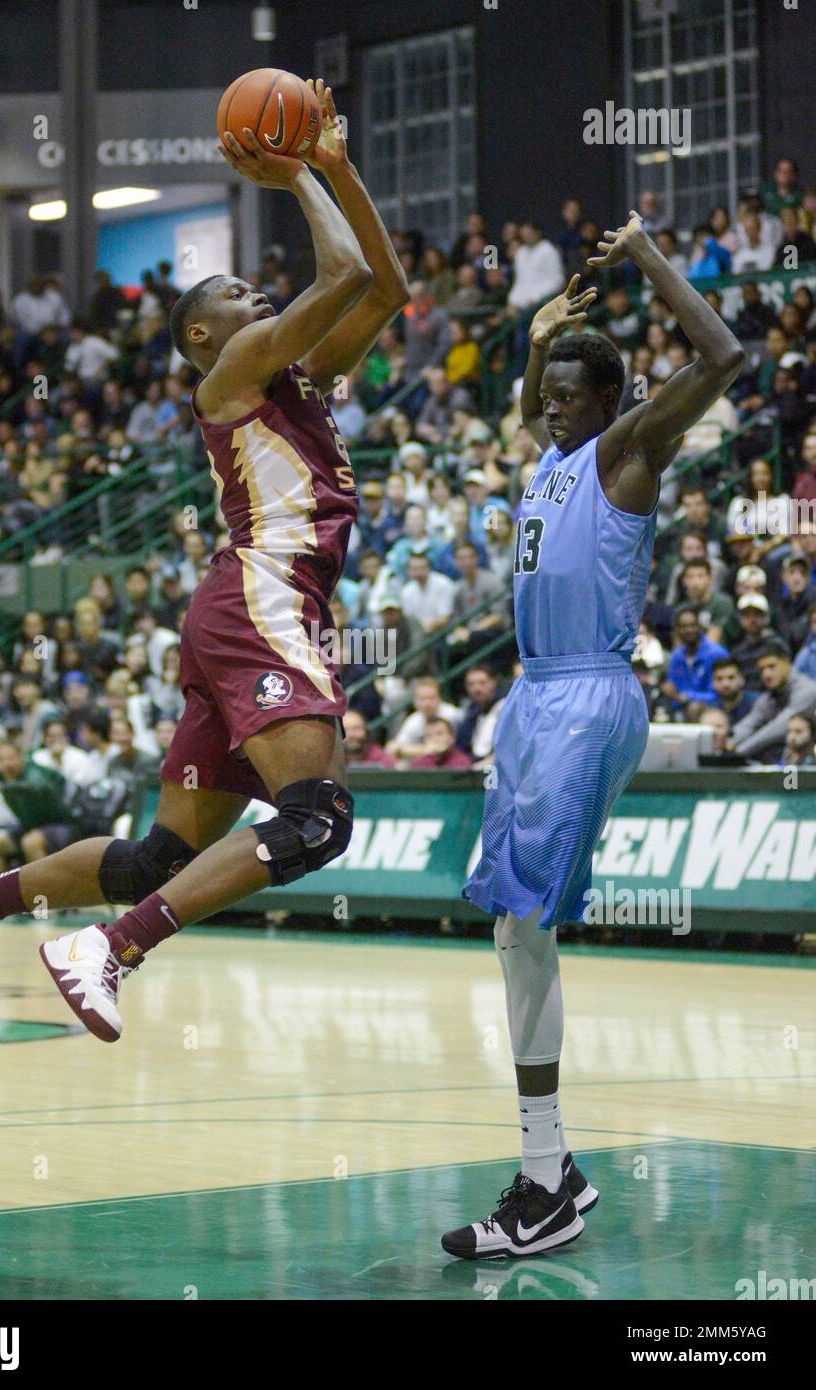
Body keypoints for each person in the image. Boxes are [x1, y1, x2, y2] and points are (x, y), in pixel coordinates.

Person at [0, 79, 409, 1042]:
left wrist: (337, 167)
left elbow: (382, 288)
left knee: (153, 856)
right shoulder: (236, 371)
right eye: (232, 294)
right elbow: (338, 275)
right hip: (263, 595)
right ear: (203, 337)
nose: (252, 292)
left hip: (241, 604)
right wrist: (301, 173)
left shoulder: (293, 375)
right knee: (316, 819)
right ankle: (109, 949)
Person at [443, 213, 744, 1261]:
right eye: (549, 396)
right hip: (535, 701)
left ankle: (546, 1181)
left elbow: (727, 355)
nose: (546, 409)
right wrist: (534, 343)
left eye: (566, 396)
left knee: (526, 930)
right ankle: (551, 1170)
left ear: (610, 405)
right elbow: (530, 400)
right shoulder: (555, 454)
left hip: (588, 694)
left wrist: (650, 253)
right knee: (513, 933)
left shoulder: (621, 447)